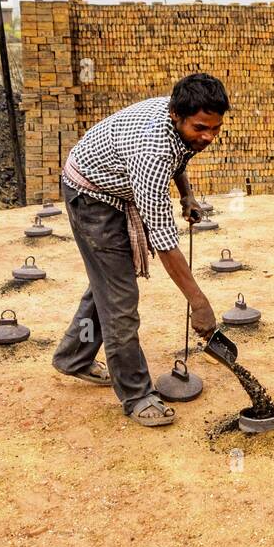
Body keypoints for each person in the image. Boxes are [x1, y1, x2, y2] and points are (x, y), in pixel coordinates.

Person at [51, 73, 228, 426]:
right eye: (201, 128)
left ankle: (74, 357)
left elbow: (181, 155)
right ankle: (136, 395)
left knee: (109, 284)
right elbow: (164, 240)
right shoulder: (152, 150)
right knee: (120, 302)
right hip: (91, 197)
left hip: (115, 186)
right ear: (176, 116)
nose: (208, 136)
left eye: (215, 128)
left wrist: (186, 194)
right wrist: (200, 303)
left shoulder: (180, 123)